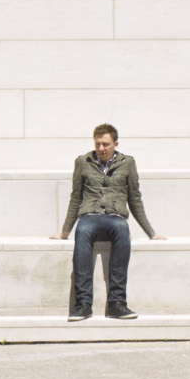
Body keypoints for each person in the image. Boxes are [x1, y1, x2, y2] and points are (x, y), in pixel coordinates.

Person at [58, 125, 154, 318]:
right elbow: (76, 197)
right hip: (90, 216)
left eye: (106, 144)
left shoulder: (128, 163)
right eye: (98, 144)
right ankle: (83, 304)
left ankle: (117, 303)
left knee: (122, 229)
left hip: (115, 216)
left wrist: (151, 232)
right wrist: (65, 231)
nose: (101, 148)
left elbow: (134, 198)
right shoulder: (82, 162)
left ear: (115, 144)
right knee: (82, 232)